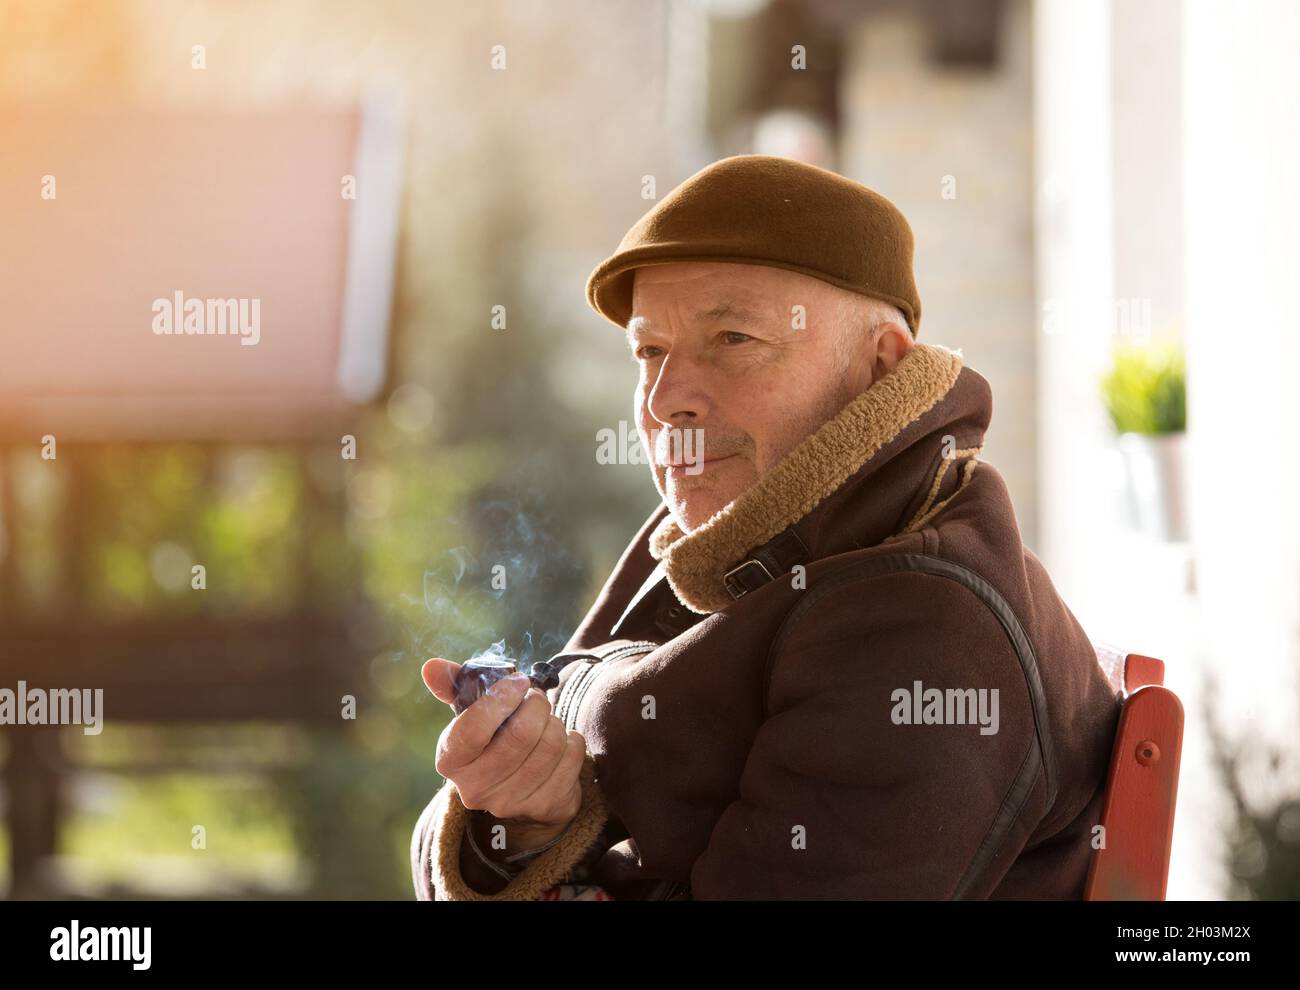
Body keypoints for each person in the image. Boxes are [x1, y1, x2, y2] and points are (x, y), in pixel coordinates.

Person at [412, 154, 1120, 900]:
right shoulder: (722, 537)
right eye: (649, 351)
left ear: (880, 368)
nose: (664, 401)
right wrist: (521, 822)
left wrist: (545, 834)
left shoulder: (921, 628)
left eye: (733, 340)